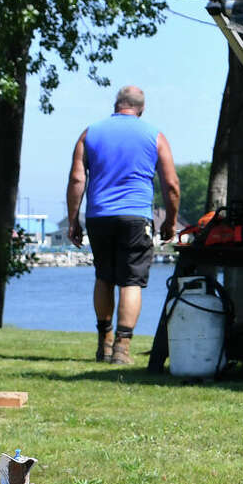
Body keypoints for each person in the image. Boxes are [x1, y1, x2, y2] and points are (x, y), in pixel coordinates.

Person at [66, 86, 178, 364]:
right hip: (136, 217)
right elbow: (171, 185)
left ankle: (103, 344)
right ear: (141, 109)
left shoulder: (89, 133)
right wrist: (171, 222)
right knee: (131, 281)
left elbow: (77, 180)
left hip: (99, 216)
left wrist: (73, 221)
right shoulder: (155, 136)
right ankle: (121, 349)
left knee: (103, 276)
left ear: (116, 105)